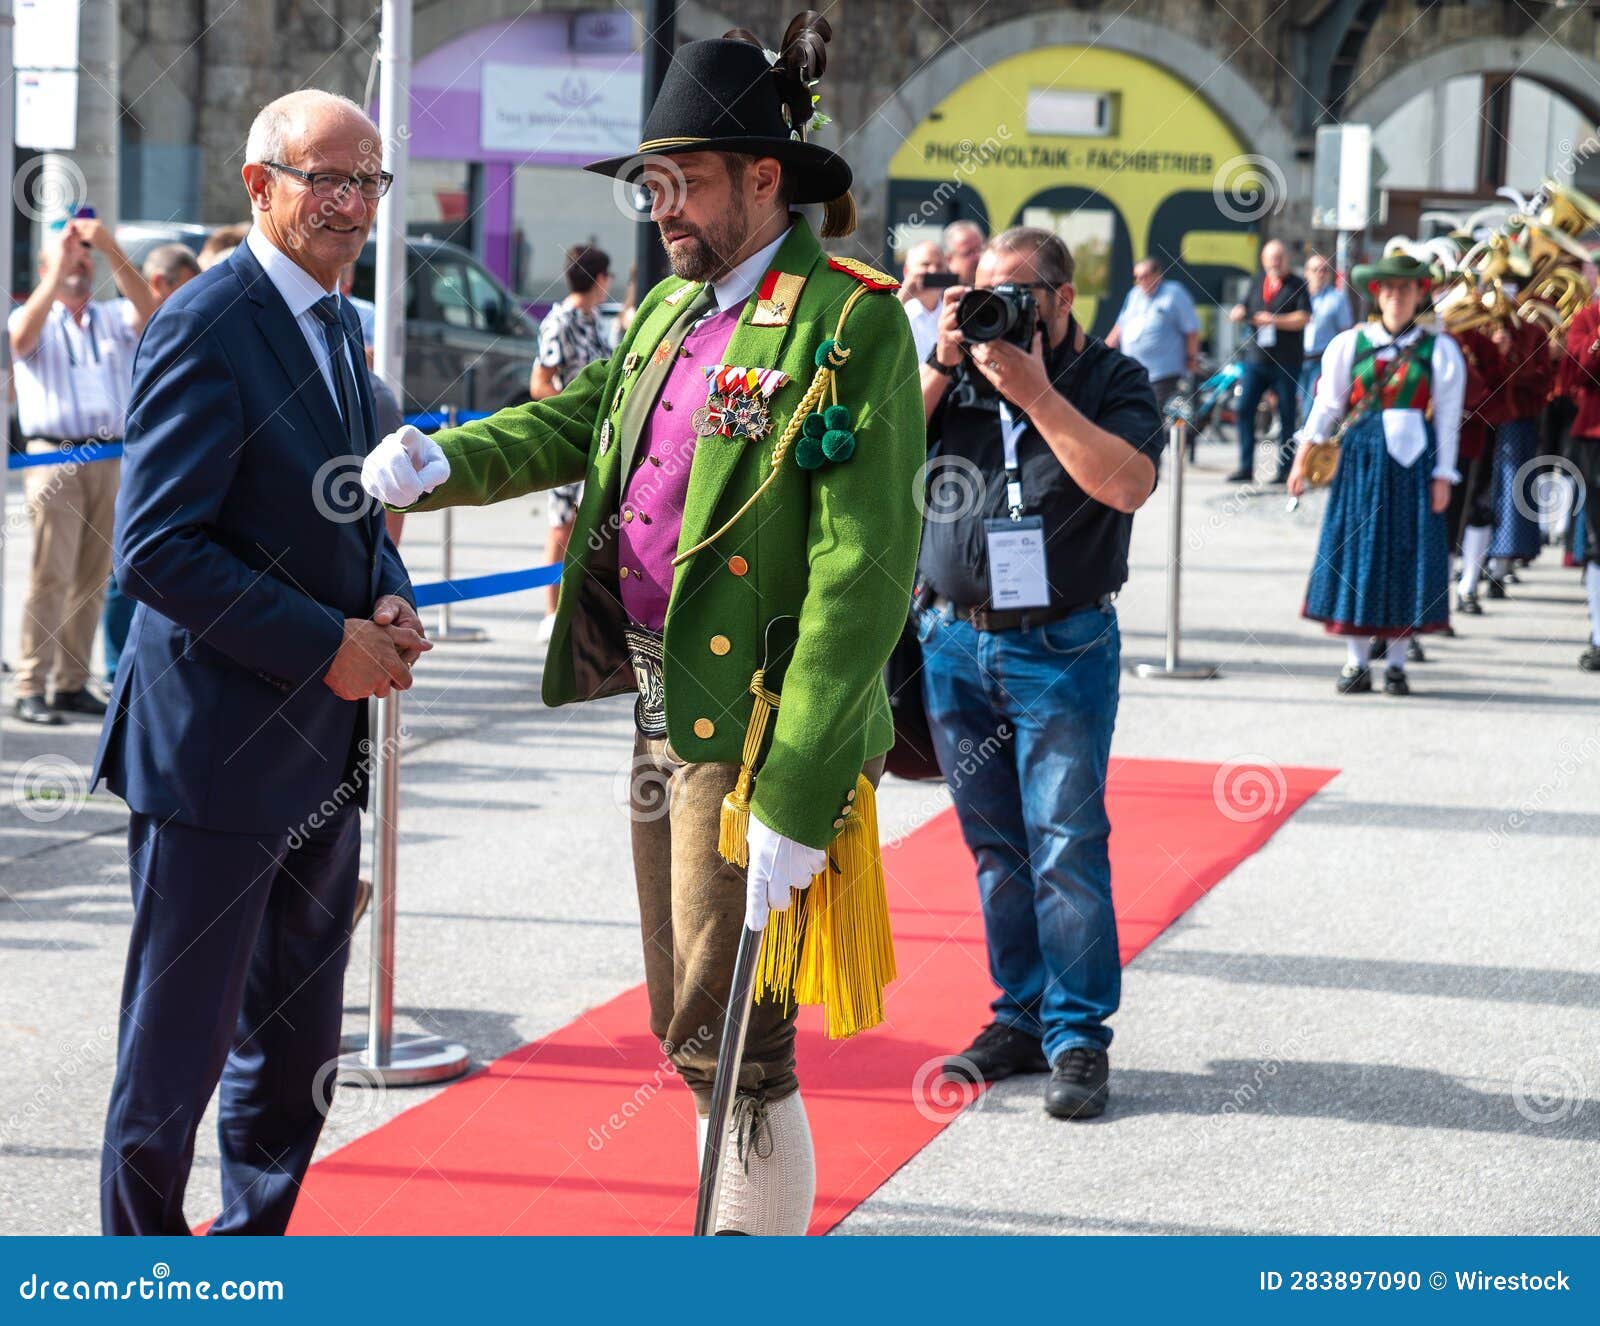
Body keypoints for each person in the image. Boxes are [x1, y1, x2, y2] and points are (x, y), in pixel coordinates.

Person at [361, 19, 922, 1235]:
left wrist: (800, 785)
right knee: (688, 1008)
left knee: (731, 1031)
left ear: (764, 178)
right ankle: (737, 1217)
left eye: (684, 182)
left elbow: (862, 572)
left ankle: (744, 1252)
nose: (661, 207)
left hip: (762, 723)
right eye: (652, 184)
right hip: (664, 702)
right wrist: (440, 459)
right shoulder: (667, 312)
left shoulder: (850, 321)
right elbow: (579, 435)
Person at [92, 89, 427, 1236]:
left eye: (367, 182)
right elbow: (157, 549)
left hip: (321, 753)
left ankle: (251, 1258)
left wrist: (390, 595)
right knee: (176, 1054)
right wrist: (323, 642)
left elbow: (357, 516)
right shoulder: (205, 319)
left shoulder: (338, 322)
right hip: (213, 756)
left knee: (294, 1056)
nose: (347, 203)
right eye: (323, 178)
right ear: (258, 185)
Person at [917, 226, 1162, 1120]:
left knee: (1066, 846)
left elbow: (1128, 484)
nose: (999, 311)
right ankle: (1018, 1016)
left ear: (1062, 299)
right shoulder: (961, 370)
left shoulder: (1114, 380)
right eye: (985, 293)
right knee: (997, 849)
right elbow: (879, 455)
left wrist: (1040, 395)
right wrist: (944, 364)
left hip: (1060, 647)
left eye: (1017, 294)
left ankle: (1077, 1038)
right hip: (953, 642)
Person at [1289, 251, 1464, 695]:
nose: (1396, 297)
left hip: (1412, 465)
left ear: (1418, 294)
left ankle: (1398, 664)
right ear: (1376, 294)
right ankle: (1356, 662)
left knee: (1406, 554)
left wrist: (1444, 473)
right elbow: (1327, 406)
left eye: (1404, 290)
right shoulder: (1350, 344)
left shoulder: (1439, 350)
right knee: (1356, 552)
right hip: (1361, 462)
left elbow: (1447, 417)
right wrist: (1302, 457)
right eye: (1388, 289)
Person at [9, 216, 158, 726]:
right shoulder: (34, 316)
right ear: (48, 266)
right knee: (51, 574)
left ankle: (71, 682)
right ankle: (32, 682)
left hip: (111, 454)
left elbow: (151, 311)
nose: (80, 262)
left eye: (85, 259)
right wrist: (56, 265)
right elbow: (21, 340)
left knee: (95, 576)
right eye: (70, 258)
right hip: (56, 457)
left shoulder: (112, 317)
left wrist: (109, 248)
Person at [100, 244, 202, 688]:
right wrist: (104, 244)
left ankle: (135, 665)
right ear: (161, 283)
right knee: (128, 567)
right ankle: (114, 667)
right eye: (183, 285)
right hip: (126, 458)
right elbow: (145, 303)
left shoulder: (177, 321)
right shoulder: (134, 317)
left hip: (164, 456)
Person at [529, 243, 613, 642]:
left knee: (589, 526)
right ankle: (551, 613)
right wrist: (577, 412)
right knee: (562, 526)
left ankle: (578, 612)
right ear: (600, 279)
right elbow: (539, 384)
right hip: (571, 440)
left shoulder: (592, 319)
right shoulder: (560, 321)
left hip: (599, 441)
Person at [1228, 239, 1310, 483]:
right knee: (1244, 409)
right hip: (1256, 359)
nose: (1275, 262)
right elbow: (1244, 306)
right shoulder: (1257, 281)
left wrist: (1274, 320)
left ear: (1286, 259)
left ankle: (1285, 469)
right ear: (1264, 260)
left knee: (1286, 414)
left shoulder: (1297, 284)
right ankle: (1245, 466)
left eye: (1279, 257)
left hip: (1286, 360)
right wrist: (1239, 312)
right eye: (1270, 258)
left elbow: (1304, 317)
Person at [1483, 317, 1555, 593]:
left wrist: (1511, 359)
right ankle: (1472, 563)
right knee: (1480, 492)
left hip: (1517, 418)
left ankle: (1500, 565)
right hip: (1482, 419)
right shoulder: (1481, 326)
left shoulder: (1533, 331)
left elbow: (1543, 379)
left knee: (1513, 491)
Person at [1104, 256, 1199, 416]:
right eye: (1137, 277)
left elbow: (1191, 330)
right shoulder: (1134, 295)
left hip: (1163, 375)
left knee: (1152, 417)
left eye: (1144, 276)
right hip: (1133, 373)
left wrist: (1190, 359)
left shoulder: (1174, 293)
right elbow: (1120, 327)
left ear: (1158, 275)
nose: (1140, 281)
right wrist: (1103, 353)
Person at [1560, 293, 1600, 670]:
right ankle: (1599, 636)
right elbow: (1577, 373)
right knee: (1597, 542)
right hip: (1594, 437)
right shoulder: (1587, 318)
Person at [1299, 252, 1352, 423]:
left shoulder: (1337, 299)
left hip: (1320, 360)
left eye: (1324, 270)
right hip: (1296, 358)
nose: (1319, 274)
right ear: (1306, 272)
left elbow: (1345, 331)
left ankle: (1305, 446)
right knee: (1292, 406)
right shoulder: (1298, 296)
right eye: (1315, 270)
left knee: (1310, 407)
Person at [899, 239, 948, 364]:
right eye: (925, 265)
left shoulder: (953, 313)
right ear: (907, 271)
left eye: (939, 266)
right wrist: (904, 293)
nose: (933, 271)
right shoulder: (900, 311)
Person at [942, 218, 985, 287]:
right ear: (949, 259)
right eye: (968, 253)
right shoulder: (937, 293)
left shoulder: (994, 286)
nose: (978, 257)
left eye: (980, 250)